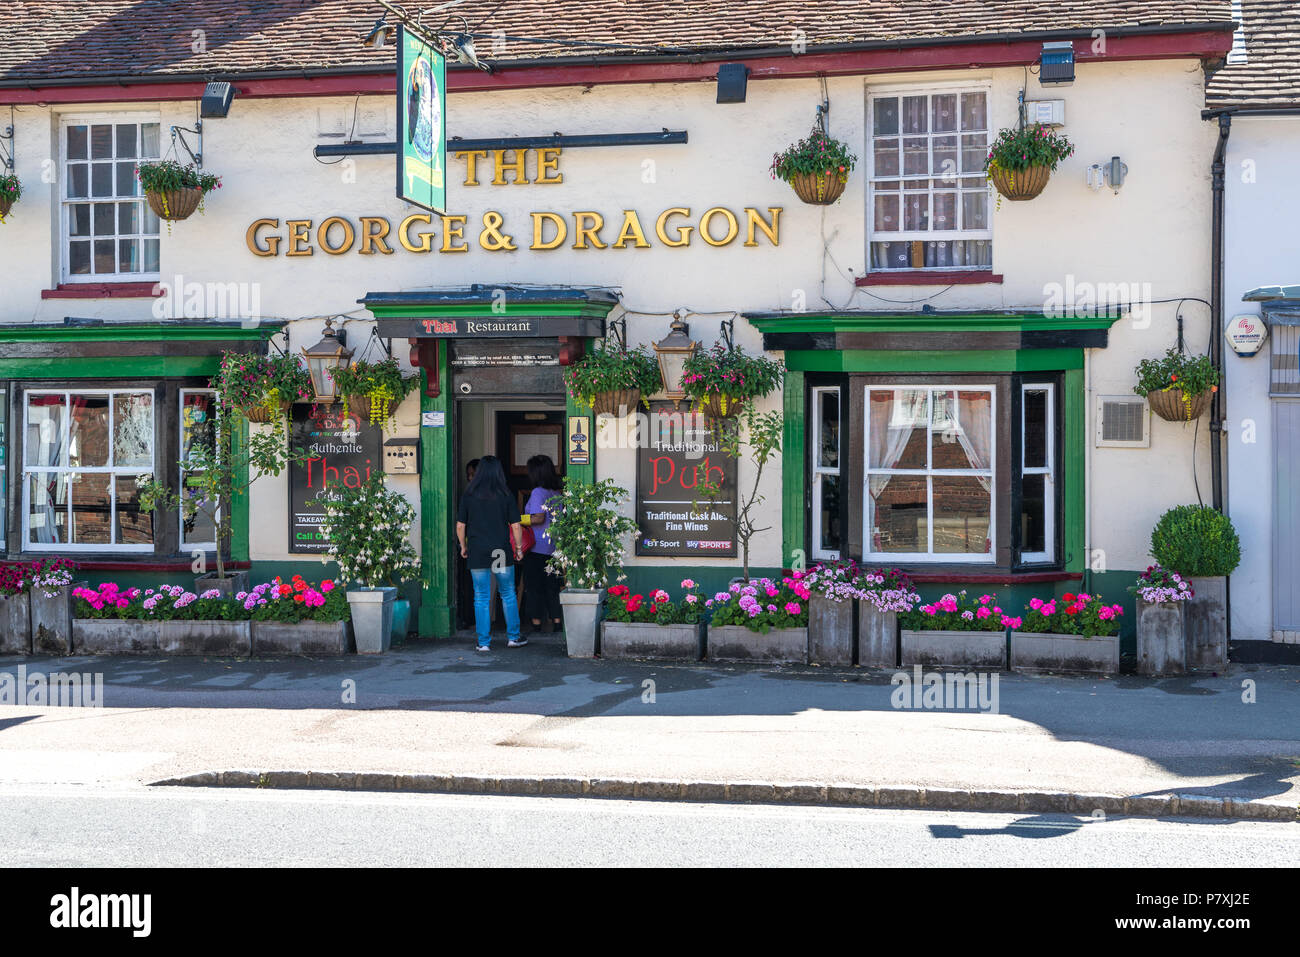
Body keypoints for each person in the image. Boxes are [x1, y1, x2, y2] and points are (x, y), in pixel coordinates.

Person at [455, 455, 526, 651]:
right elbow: (516, 526)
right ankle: (513, 637)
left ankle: (483, 642)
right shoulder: (505, 495)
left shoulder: (469, 495)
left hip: (477, 550)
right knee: (508, 593)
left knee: (481, 596)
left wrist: (463, 546)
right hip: (499, 551)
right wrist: (518, 549)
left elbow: (461, 525)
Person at [520, 454, 564, 633]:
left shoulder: (538, 492)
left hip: (537, 547)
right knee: (552, 587)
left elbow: (538, 517)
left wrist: (518, 519)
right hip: (554, 547)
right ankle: (557, 622)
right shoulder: (557, 492)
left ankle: (536, 624)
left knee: (534, 587)